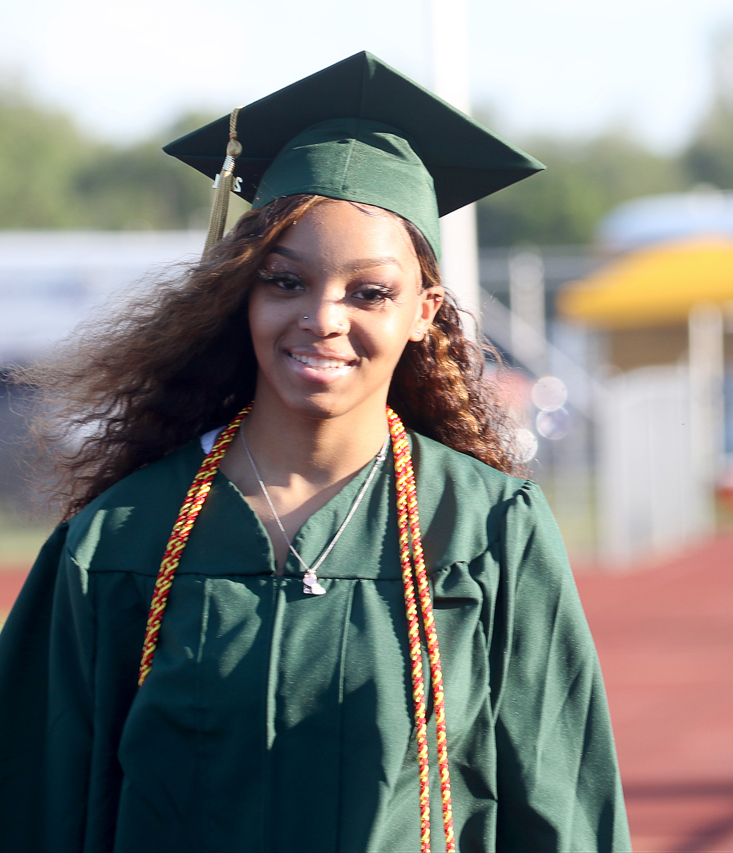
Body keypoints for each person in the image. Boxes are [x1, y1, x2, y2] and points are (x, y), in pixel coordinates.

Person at [0, 52, 630, 853]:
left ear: (422, 311)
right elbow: (36, 801)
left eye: (369, 292)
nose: (323, 318)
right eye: (285, 281)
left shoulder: (489, 532)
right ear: (243, 290)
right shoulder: (122, 539)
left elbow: (561, 808)